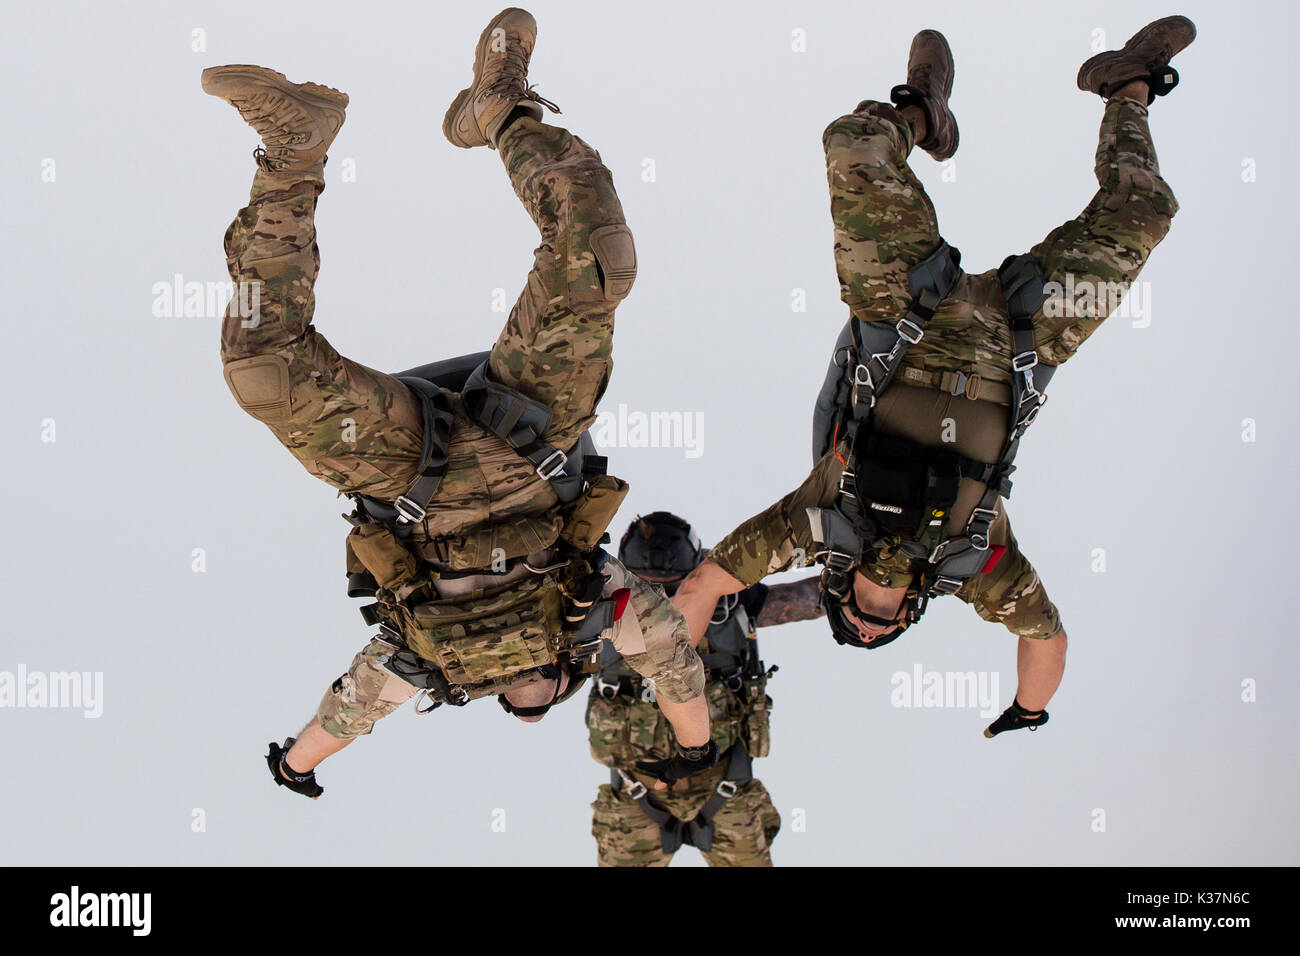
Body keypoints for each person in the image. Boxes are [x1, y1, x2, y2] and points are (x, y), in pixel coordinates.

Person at [203, 8, 715, 799]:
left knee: (263, 372)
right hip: (532, 450)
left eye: (514, 708)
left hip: (411, 479)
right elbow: (678, 672)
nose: (525, 699)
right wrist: (694, 752)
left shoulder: (425, 664)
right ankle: (501, 108)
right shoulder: (597, 622)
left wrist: (294, 767)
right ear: (566, 679)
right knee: (597, 262)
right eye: (540, 701)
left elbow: (346, 715)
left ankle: (292, 151)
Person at [671, 17, 1195, 738]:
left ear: (833, 589)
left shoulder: (818, 524)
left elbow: (706, 587)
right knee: (1145, 212)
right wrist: (1029, 708)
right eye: (884, 628)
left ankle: (922, 110)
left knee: (853, 144)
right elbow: (1046, 639)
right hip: (1022, 335)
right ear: (911, 617)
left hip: (907, 315)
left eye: (857, 616)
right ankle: (1127, 83)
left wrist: (677, 678)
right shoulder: (977, 565)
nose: (873, 614)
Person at [587, 512, 823, 866]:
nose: (662, 610)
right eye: (650, 593)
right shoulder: (597, 613)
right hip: (636, 792)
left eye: (673, 591)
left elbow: (815, 598)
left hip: (724, 785)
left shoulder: (732, 604)